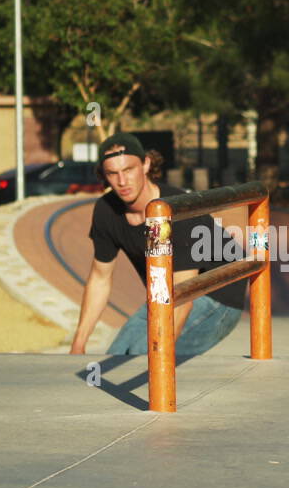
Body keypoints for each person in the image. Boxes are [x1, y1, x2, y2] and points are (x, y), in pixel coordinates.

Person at [69, 132, 246, 356]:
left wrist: (159, 363)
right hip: (164, 294)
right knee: (115, 356)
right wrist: (78, 343)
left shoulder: (175, 209)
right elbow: (99, 278)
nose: (122, 181)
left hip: (216, 295)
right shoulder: (107, 210)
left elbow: (183, 298)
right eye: (113, 174)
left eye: (128, 170)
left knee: (143, 357)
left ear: (145, 164)